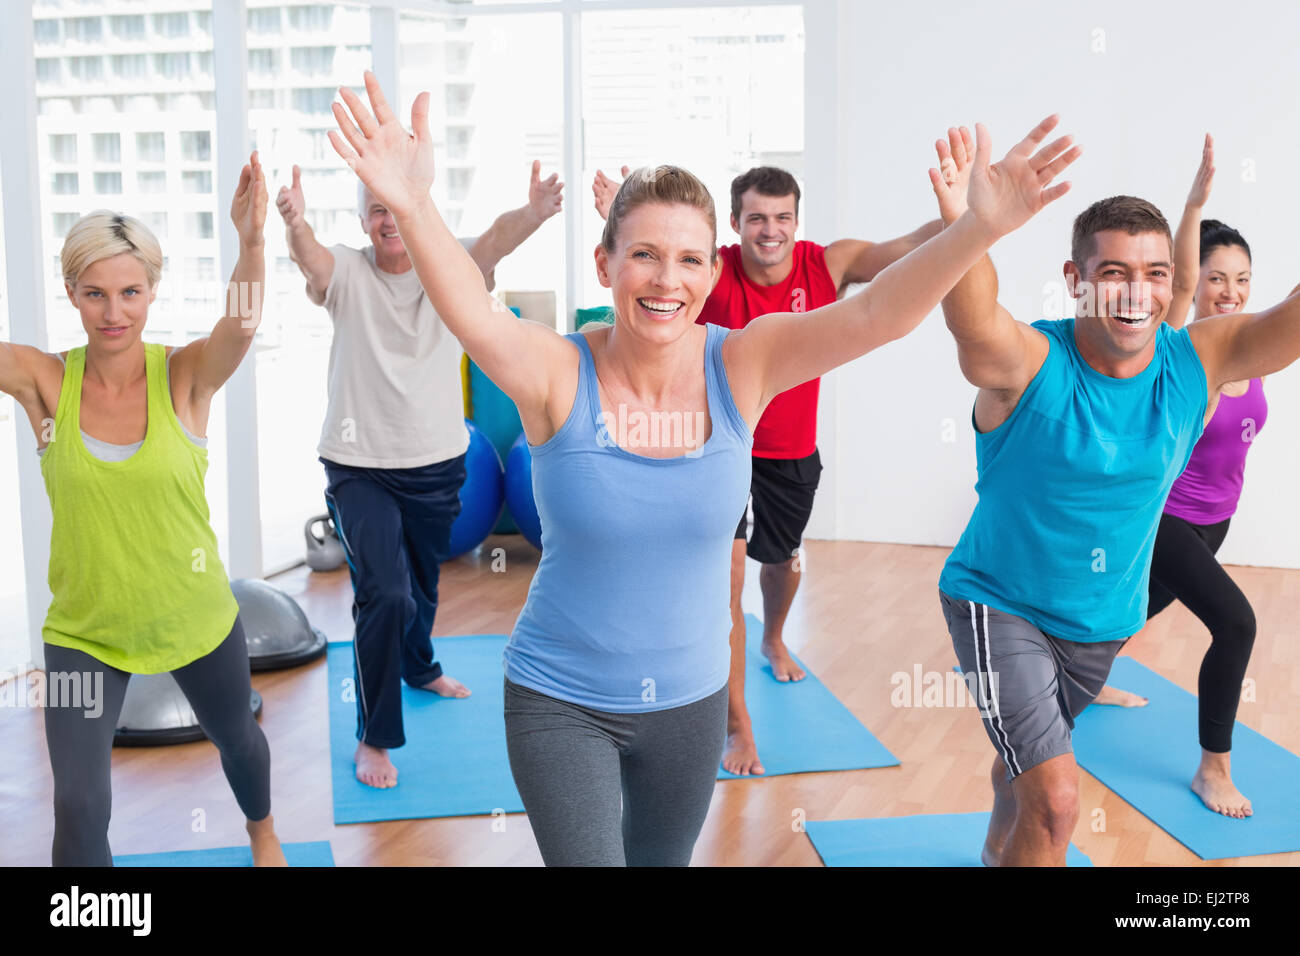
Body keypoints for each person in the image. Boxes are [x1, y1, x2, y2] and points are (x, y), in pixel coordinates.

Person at [328, 70, 1078, 864]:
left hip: (689, 705)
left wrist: (976, 230)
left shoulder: (743, 363)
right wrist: (411, 206)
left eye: (689, 259)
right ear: (605, 261)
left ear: (711, 274)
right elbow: (473, 313)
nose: (667, 279)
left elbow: (875, 314)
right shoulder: (558, 371)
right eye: (644, 255)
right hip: (558, 698)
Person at [930, 125, 1300, 865]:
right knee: (1059, 800)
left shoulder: (1197, 359)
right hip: (998, 601)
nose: (1137, 292)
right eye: (1114, 272)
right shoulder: (1031, 362)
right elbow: (974, 323)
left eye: (1157, 273)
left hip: (1100, 624)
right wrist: (971, 227)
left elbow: (1286, 327)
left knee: (1022, 778)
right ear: (1076, 279)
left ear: (1172, 281)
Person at [595, 165, 942, 775]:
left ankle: (774, 634)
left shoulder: (826, 264)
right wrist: (621, 221)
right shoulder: (714, 267)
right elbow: (654, 270)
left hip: (789, 454)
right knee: (725, 583)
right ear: (736, 223)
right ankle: (737, 723)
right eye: (756, 217)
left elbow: (905, 252)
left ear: (796, 221)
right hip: (718, 445)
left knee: (783, 563)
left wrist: (963, 213)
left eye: (782, 217)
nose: (770, 230)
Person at [0, 154, 286, 866]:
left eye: (130, 292)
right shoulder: (46, 383)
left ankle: (262, 830)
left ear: (152, 289)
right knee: (77, 804)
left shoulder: (183, 378)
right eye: (94, 294)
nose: (114, 312)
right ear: (71, 292)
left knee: (238, 740)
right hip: (84, 630)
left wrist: (251, 242)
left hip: (193, 614)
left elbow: (242, 328)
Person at [276, 155, 563, 789]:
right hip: (358, 466)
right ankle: (376, 736)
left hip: (437, 460)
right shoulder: (347, 272)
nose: (387, 220)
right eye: (375, 209)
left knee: (422, 583)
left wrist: (538, 212)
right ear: (363, 219)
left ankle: (419, 663)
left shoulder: (447, 262)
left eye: (396, 207)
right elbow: (312, 257)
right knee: (385, 589)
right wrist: (294, 222)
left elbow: (496, 236)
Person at [1094, 135, 1300, 818]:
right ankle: (1213, 769)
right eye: (1218, 278)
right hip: (1165, 518)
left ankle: (1077, 676)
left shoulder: (1253, 347)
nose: (1230, 292)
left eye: (1242, 280)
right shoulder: (1179, 350)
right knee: (1236, 624)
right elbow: (1177, 287)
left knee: (1134, 611)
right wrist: (1192, 205)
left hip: (1215, 520)